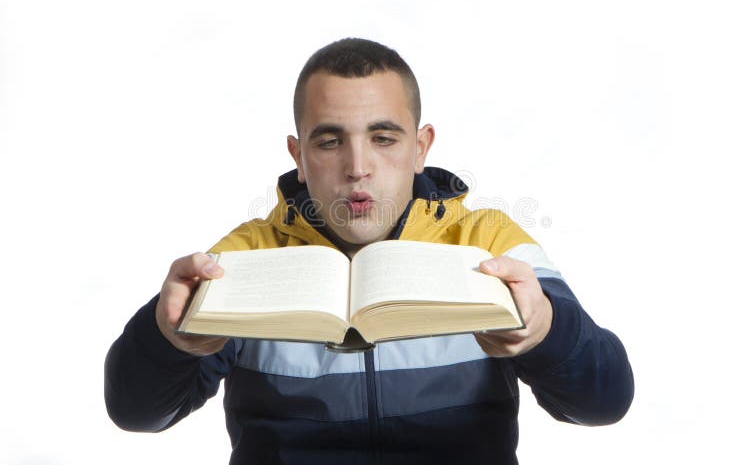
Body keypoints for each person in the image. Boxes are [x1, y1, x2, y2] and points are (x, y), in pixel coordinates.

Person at [104, 38, 634, 464]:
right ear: (299, 154)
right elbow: (137, 413)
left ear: (421, 148)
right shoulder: (243, 258)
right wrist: (165, 334)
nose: (358, 166)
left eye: (383, 138)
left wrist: (545, 331)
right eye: (330, 141)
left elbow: (604, 402)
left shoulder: (489, 241)